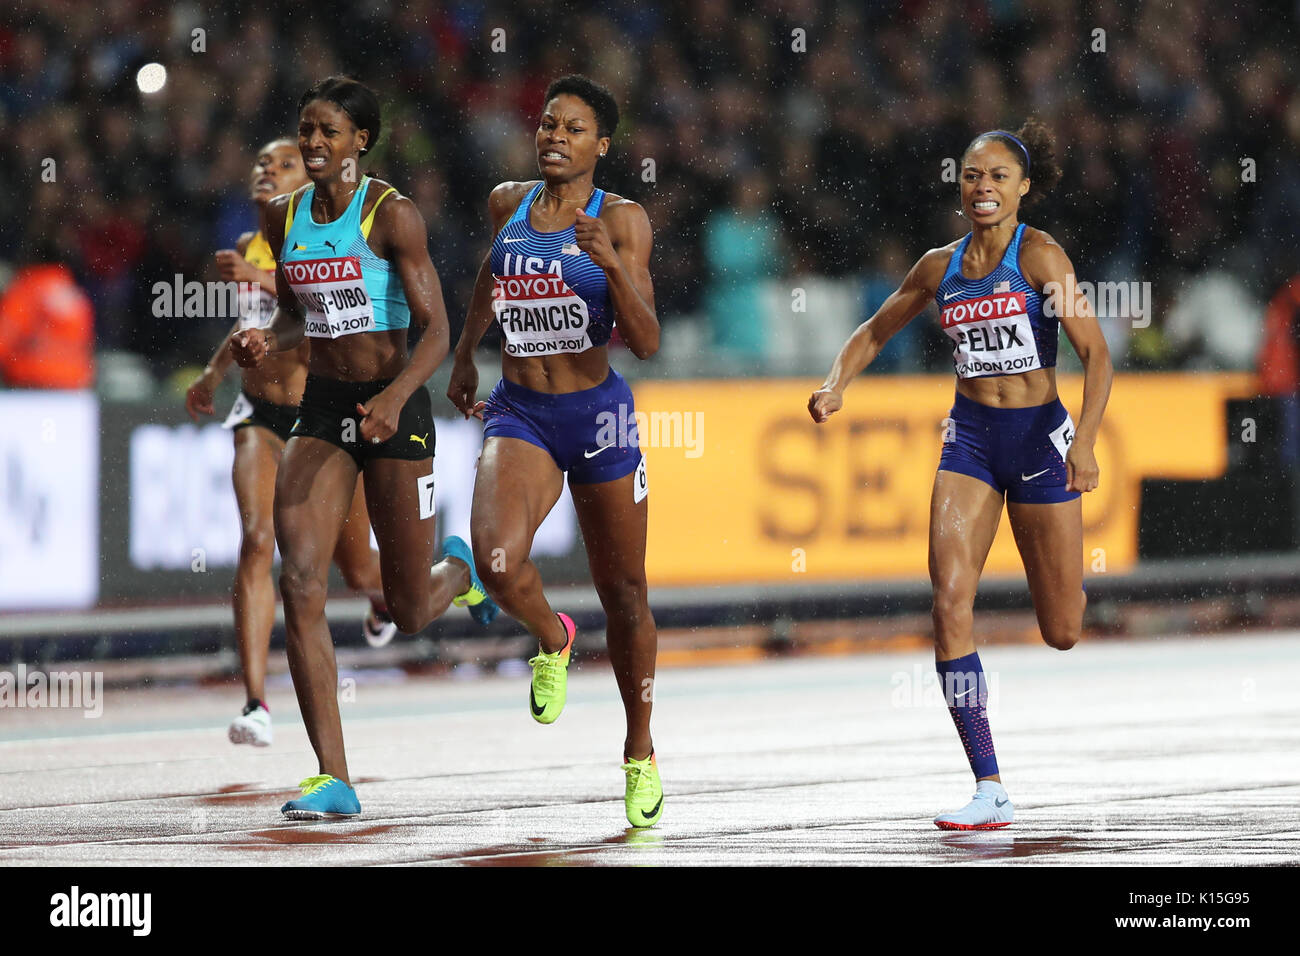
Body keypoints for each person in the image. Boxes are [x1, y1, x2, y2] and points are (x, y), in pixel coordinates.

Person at [809, 121, 1112, 830]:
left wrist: (1087, 444)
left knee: (1062, 629)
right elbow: (875, 330)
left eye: (999, 176)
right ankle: (989, 783)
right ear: (961, 185)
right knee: (948, 602)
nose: (984, 187)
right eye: (974, 176)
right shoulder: (937, 267)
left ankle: (1065, 578)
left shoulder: (1041, 258)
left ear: (1023, 189)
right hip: (970, 442)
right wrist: (835, 384)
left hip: (1040, 441)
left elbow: (1097, 355)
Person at [230, 77, 498, 819]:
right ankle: (333, 776)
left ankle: (460, 568)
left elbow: (437, 331)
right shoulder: (286, 218)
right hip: (320, 409)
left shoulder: (392, 215)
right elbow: (296, 316)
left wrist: (391, 395)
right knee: (302, 580)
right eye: (305, 129)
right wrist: (264, 339)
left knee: (408, 609)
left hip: (396, 406)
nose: (312, 142)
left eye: (328, 132)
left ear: (360, 143)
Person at [446, 75, 664, 827]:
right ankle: (552, 635)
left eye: (572, 128)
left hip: (597, 415)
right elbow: (489, 272)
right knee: (496, 561)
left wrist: (606, 263)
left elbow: (646, 340)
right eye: (546, 123)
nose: (553, 136)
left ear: (601, 146)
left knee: (626, 593)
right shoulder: (508, 203)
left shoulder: (623, 220)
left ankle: (639, 750)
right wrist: (467, 350)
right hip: (521, 412)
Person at [185, 138, 398, 749]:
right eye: (260, 163)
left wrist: (257, 277)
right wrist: (213, 372)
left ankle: (417, 590)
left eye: (281, 165)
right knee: (256, 540)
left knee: (358, 568)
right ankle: (255, 702)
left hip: (319, 420)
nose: (265, 171)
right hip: (258, 416)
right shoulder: (254, 245)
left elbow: (321, 313)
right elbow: (251, 325)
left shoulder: (322, 235)